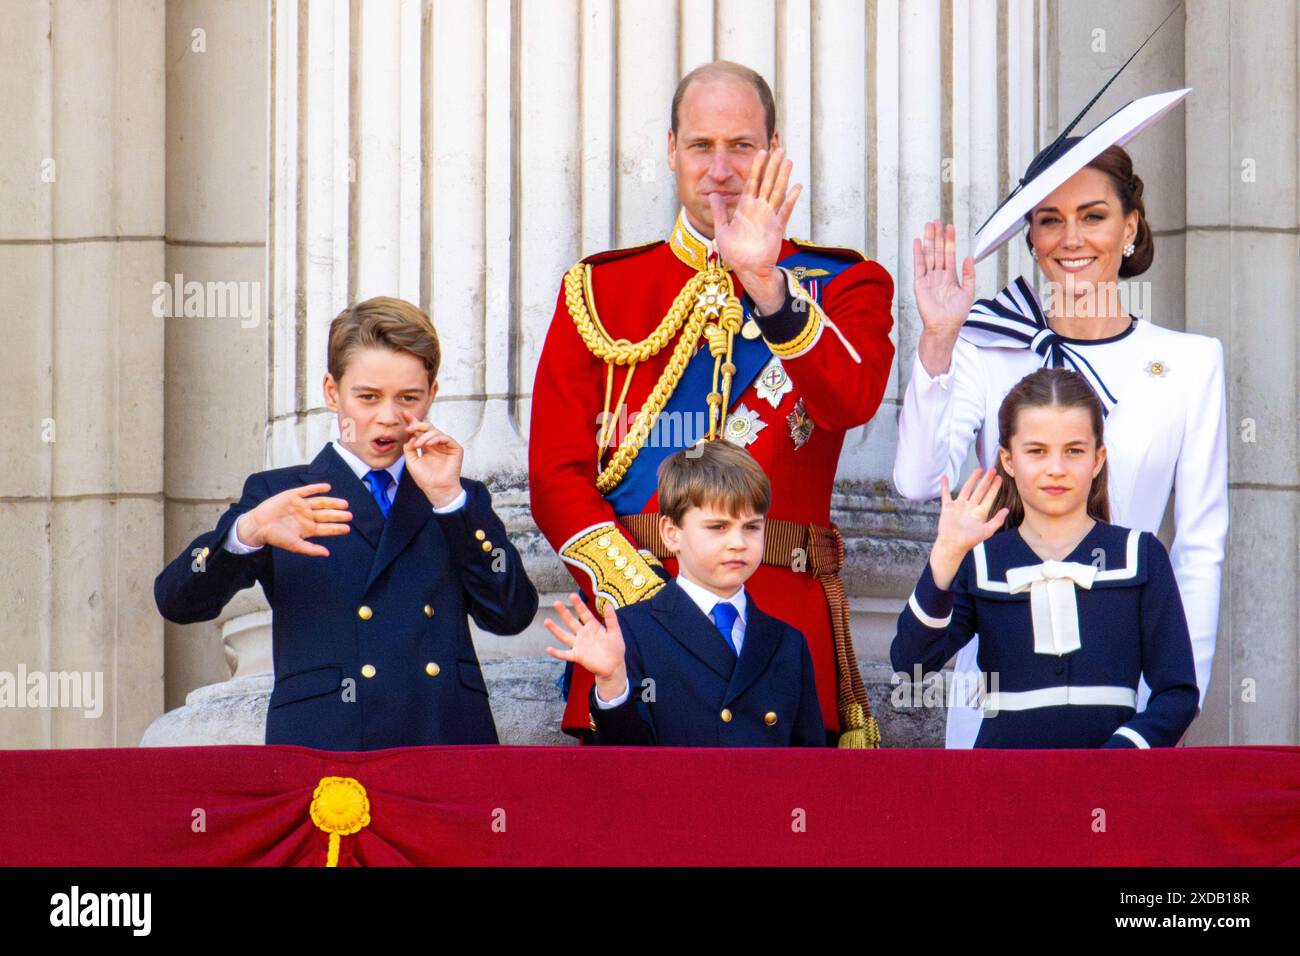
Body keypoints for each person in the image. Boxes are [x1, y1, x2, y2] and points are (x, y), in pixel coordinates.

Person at [529, 60, 895, 746]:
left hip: (781, 630)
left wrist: (768, 287)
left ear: (774, 151)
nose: (721, 168)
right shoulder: (600, 290)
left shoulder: (844, 284)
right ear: (671, 150)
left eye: (742, 146)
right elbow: (554, 479)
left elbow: (852, 399)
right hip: (629, 632)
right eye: (701, 145)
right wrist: (654, 610)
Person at [895, 89, 1226, 748]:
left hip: (1126, 684)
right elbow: (914, 480)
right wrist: (936, 341)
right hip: (998, 683)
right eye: (1049, 220)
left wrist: (1168, 705)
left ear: (1131, 225)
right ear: (1030, 236)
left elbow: (1199, 551)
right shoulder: (984, 345)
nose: (1071, 239)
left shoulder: (1191, 363)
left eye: (1094, 215)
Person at [154, 297, 538, 750]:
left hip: (442, 744)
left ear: (432, 393)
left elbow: (511, 614)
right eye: (368, 397)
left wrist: (450, 501)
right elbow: (177, 599)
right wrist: (247, 533)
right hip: (325, 746)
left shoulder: (458, 496)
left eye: (409, 398)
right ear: (332, 392)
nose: (389, 417)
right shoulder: (280, 494)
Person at [892, 368, 1199, 748]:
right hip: (1005, 786)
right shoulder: (982, 562)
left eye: (1074, 451)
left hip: (1111, 787)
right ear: (1007, 459)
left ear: (1098, 459)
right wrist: (945, 555)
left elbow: (1179, 693)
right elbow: (911, 667)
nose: (1056, 468)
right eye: (1037, 451)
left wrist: (1119, 757)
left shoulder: (1140, 555)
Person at [542, 439, 824, 746]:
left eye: (752, 527)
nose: (738, 542)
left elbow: (809, 767)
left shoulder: (787, 642)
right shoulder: (631, 631)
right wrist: (612, 684)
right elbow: (624, 766)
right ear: (671, 533)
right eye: (718, 527)